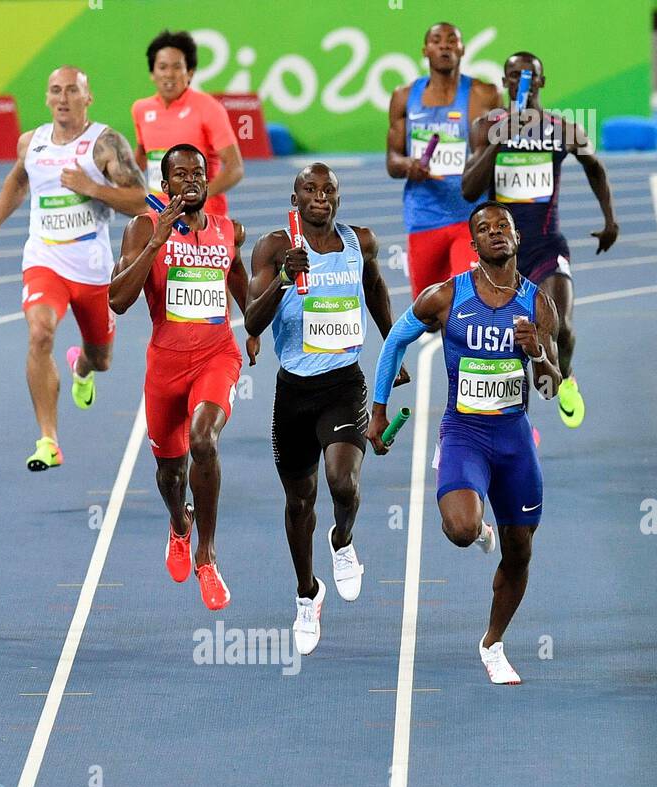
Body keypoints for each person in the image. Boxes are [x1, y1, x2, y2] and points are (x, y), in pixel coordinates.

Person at [368, 202, 561, 685]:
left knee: (519, 554)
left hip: (514, 439)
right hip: (464, 433)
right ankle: (478, 532)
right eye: (484, 229)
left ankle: (493, 642)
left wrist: (536, 350)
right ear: (472, 245)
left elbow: (551, 385)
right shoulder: (445, 297)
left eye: (504, 226)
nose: (496, 233)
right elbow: (395, 341)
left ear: (517, 238)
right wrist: (378, 408)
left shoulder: (539, 305)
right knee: (459, 528)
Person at [245, 163, 409, 654]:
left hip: (343, 382)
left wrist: (391, 345)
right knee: (299, 502)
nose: (320, 197)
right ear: (294, 197)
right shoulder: (274, 248)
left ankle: (342, 540)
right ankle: (305, 594)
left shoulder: (361, 243)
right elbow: (251, 321)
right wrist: (282, 280)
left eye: (329, 190)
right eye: (310, 190)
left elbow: (375, 289)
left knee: (343, 482)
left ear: (339, 198)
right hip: (293, 392)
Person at [109, 144, 257, 611]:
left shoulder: (228, 232)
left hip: (217, 356)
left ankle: (207, 555)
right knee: (170, 472)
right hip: (165, 367)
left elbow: (237, 276)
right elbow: (117, 299)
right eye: (180, 174)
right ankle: (179, 523)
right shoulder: (142, 228)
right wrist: (156, 240)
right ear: (165, 183)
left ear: (207, 181)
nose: (190, 180)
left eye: (198, 173)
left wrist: (251, 324)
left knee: (204, 441)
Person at [0, 66, 147, 473]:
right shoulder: (31, 143)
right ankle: (48, 440)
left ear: (87, 98)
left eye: (72, 90)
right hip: (44, 260)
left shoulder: (105, 144)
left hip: (92, 268)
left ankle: (81, 367)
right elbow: (18, 182)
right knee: (39, 333)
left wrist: (93, 188)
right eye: (56, 90)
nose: (63, 98)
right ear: (47, 97)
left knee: (101, 357)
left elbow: (141, 199)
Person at [461, 51, 618, 430]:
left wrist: (609, 220)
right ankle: (520, 428)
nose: (522, 82)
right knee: (511, 343)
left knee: (560, 325)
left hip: (547, 245)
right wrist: (501, 140)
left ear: (542, 83)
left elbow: (594, 167)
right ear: (505, 83)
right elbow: (469, 190)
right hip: (501, 256)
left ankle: (566, 378)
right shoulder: (485, 126)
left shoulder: (563, 129)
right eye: (514, 76)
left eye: (529, 75)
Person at [386, 20, 498, 300]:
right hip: (424, 216)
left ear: (462, 49)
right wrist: (409, 166)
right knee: (428, 311)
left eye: (452, 39)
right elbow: (392, 161)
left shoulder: (484, 95)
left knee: (468, 301)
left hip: (471, 216)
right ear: (426, 50)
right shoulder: (403, 97)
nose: (445, 45)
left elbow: (498, 153)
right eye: (437, 40)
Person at [132, 29, 244, 219]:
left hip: (203, 217)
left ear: (190, 72)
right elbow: (141, 158)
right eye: (162, 67)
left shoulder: (208, 108)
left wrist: (198, 196)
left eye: (177, 67)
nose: (169, 74)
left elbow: (235, 168)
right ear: (152, 73)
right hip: (160, 218)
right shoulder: (141, 109)